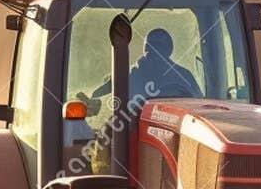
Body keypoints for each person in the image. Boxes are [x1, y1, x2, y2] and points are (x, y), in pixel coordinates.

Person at [79, 27, 202, 173]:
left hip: (151, 128)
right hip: (166, 129)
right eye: (154, 47)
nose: (155, 53)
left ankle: (103, 174)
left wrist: (92, 97)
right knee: (109, 129)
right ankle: (106, 176)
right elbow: (200, 103)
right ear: (170, 50)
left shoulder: (129, 72)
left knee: (108, 130)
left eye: (157, 47)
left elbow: (100, 92)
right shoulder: (183, 75)